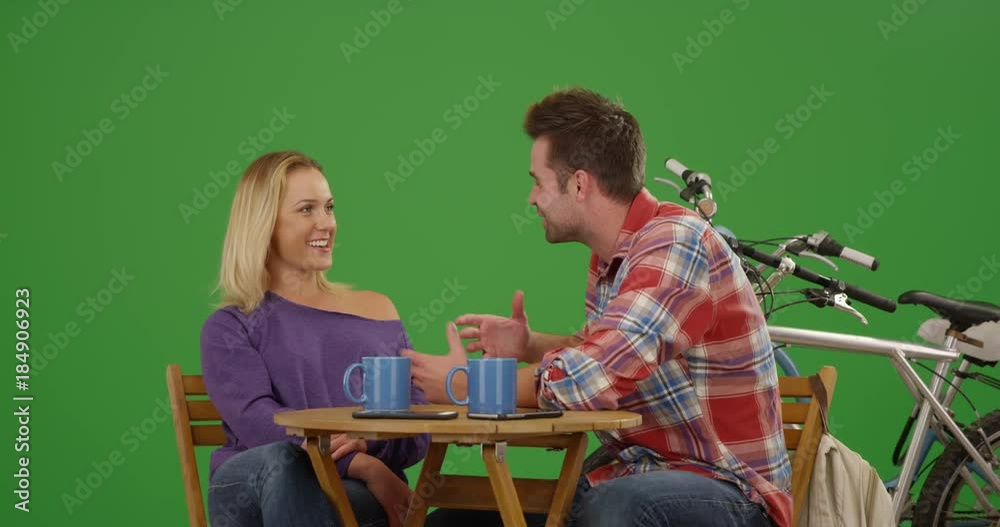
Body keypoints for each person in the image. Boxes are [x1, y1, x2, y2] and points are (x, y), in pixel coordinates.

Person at [404, 89, 792, 526]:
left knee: (619, 507)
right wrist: (531, 344)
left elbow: (591, 381)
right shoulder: (611, 259)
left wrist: (464, 385)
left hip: (728, 490)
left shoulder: (676, 242)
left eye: (537, 181)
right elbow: (608, 351)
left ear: (579, 184)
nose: (531, 198)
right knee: (451, 524)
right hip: (633, 475)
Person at [201, 151, 429, 527]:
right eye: (307, 209)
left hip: (346, 489)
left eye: (329, 207)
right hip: (252, 487)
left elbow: (416, 420)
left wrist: (370, 445)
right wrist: (362, 464)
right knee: (284, 463)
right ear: (264, 224)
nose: (326, 223)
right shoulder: (230, 326)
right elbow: (260, 425)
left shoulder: (377, 308)